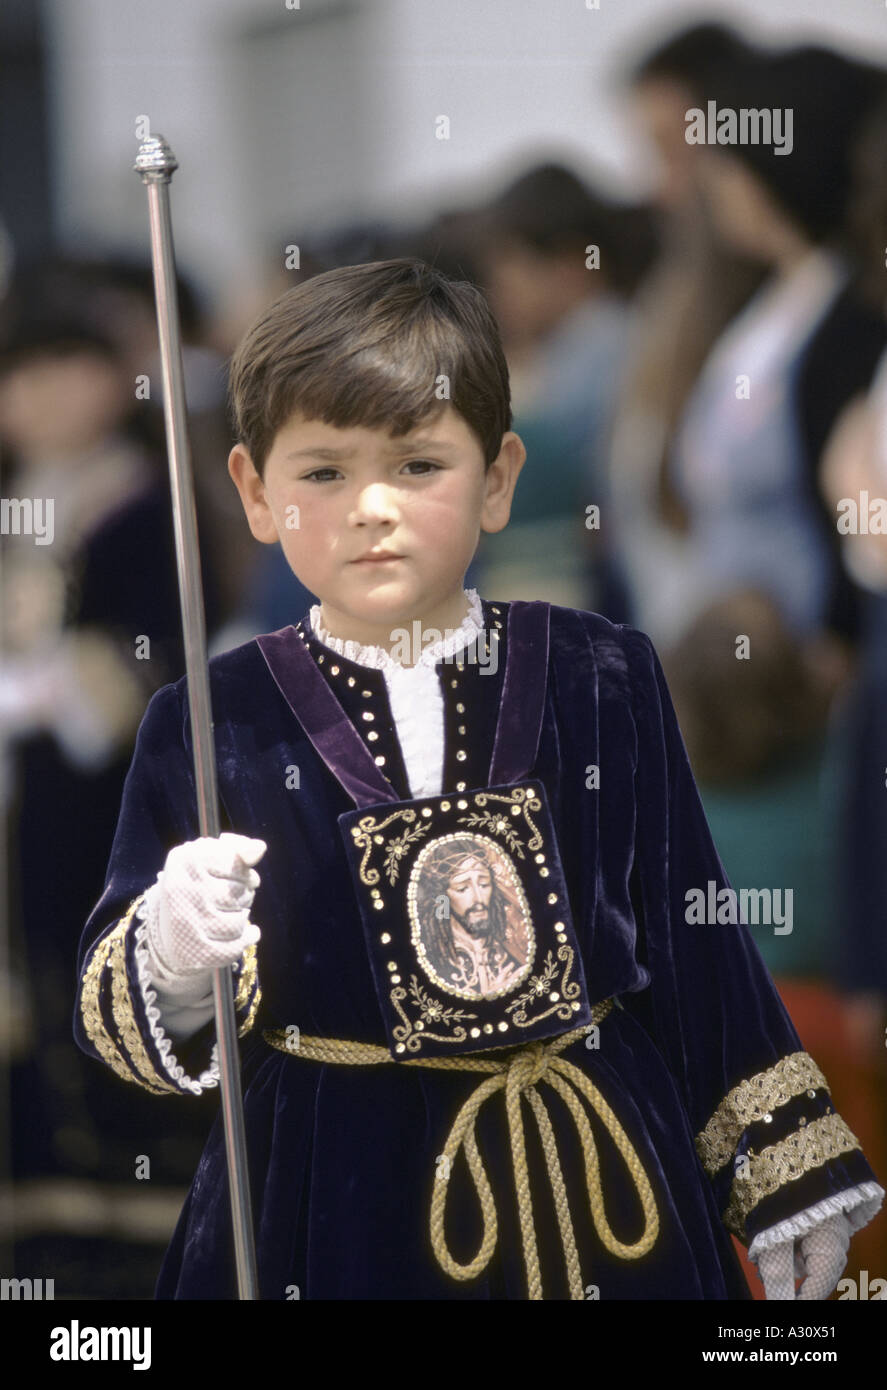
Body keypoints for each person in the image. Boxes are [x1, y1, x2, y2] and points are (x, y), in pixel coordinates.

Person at [73, 259, 882, 1300]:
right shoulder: (209, 717)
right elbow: (129, 1019)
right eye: (321, 472)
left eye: (417, 465)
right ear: (253, 492)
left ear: (498, 478)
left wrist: (780, 1170)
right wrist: (175, 945)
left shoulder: (601, 672)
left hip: (606, 1189)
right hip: (338, 1201)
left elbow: (694, 937)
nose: (371, 505)